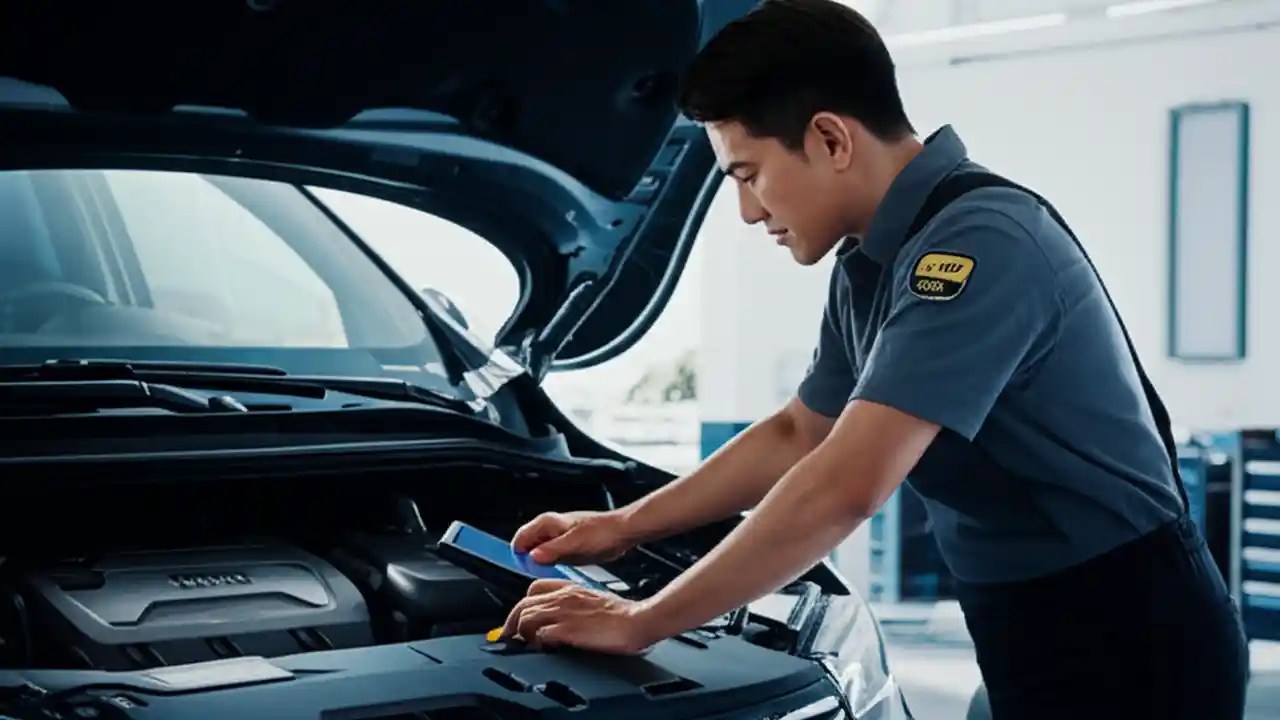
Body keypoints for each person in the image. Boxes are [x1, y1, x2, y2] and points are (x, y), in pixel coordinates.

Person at [499, 0, 1250, 717]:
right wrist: (624, 525)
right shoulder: (870, 260)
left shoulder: (975, 246)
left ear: (831, 139)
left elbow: (846, 486)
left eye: (747, 174)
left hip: (1129, 627)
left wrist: (642, 621)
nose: (749, 211)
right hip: (1027, 613)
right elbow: (801, 432)